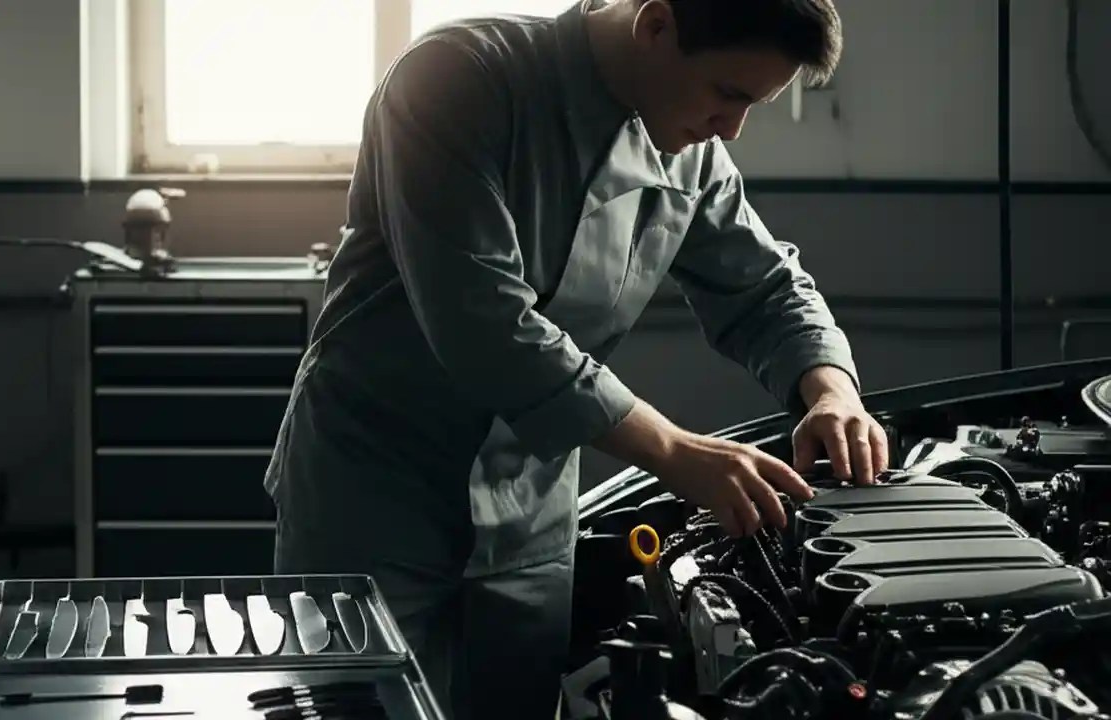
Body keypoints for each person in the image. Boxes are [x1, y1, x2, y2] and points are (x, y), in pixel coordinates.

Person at [264, 0, 889, 717]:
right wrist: (674, 450)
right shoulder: (455, 79)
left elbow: (768, 288)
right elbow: (483, 321)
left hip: (528, 520)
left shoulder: (690, 154)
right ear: (656, 26)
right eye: (728, 94)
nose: (733, 128)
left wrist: (833, 391)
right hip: (373, 496)